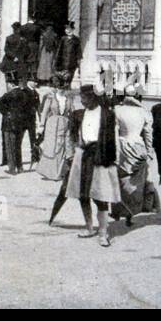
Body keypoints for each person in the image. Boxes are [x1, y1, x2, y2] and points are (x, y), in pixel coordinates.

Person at [52, 83, 123, 246]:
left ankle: (103, 232)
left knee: (101, 197)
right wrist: (70, 155)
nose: (82, 101)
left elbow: (114, 138)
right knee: (83, 195)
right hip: (83, 156)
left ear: (93, 98)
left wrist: (116, 160)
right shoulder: (78, 115)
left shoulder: (107, 115)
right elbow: (70, 136)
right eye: (81, 98)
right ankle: (89, 227)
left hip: (102, 155)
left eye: (85, 98)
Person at [113, 83, 158, 224]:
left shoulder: (117, 110)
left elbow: (114, 132)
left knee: (120, 180)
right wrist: (149, 151)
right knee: (137, 181)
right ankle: (133, 211)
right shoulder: (144, 112)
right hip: (138, 146)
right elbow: (148, 135)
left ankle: (119, 210)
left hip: (122, 146)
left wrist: (115, 149)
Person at [36, 72, 77, 180]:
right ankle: (50, 172)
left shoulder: (68, 99)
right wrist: (41, 125)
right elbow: (44, 112)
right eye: (59, 88)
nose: (61, 90)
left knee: (64, 147)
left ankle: (60, 172)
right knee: (52, 147)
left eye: (63, 88)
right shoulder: (50, 98)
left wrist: (74, 122)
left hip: (65, 123)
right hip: (52, 125)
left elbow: (72, 111)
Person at [0, 78, 39, 174]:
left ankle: (12, 168)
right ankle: (20, 167)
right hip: (20, 122)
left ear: (11, 84)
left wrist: (5, 112)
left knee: (9, 145)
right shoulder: (23, 94)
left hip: (9, 122)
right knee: (17, 146)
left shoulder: (9, 94)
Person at [60, 22, 83, 87]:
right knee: (64, 75)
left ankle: (68, 85)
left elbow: (79, 50)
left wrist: (79, 59)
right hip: (64, 61)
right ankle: (64, 86)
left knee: (70, 74)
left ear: (72, 29)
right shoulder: (63, 39)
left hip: (72, 61)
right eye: (66, 29)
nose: (66, 30)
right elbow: (60, 50)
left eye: (68, 29)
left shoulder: (76, 39)